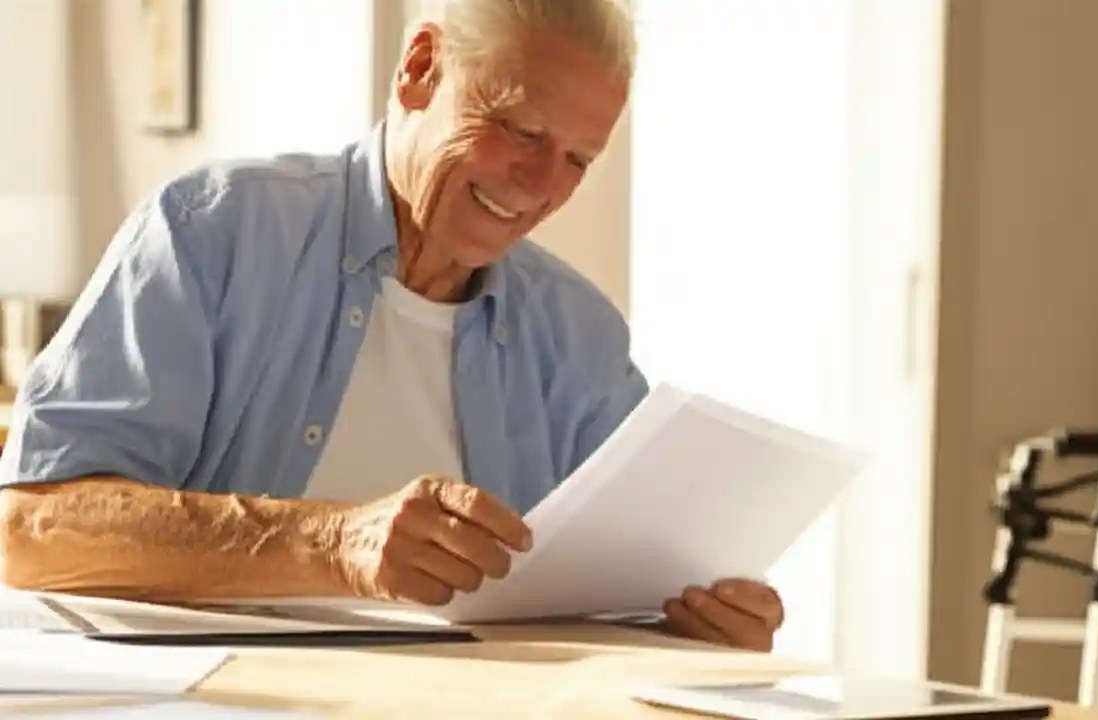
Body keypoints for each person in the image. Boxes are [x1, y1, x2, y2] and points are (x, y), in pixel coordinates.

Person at [0, 0, 785, 652]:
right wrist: (335, 545)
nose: (543, 187)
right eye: (520, 130)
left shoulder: (578, 332)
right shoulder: (211, 232)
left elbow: (618, 597)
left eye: (579, 160)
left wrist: (692, 621)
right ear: (419, 71)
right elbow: (33, 529)